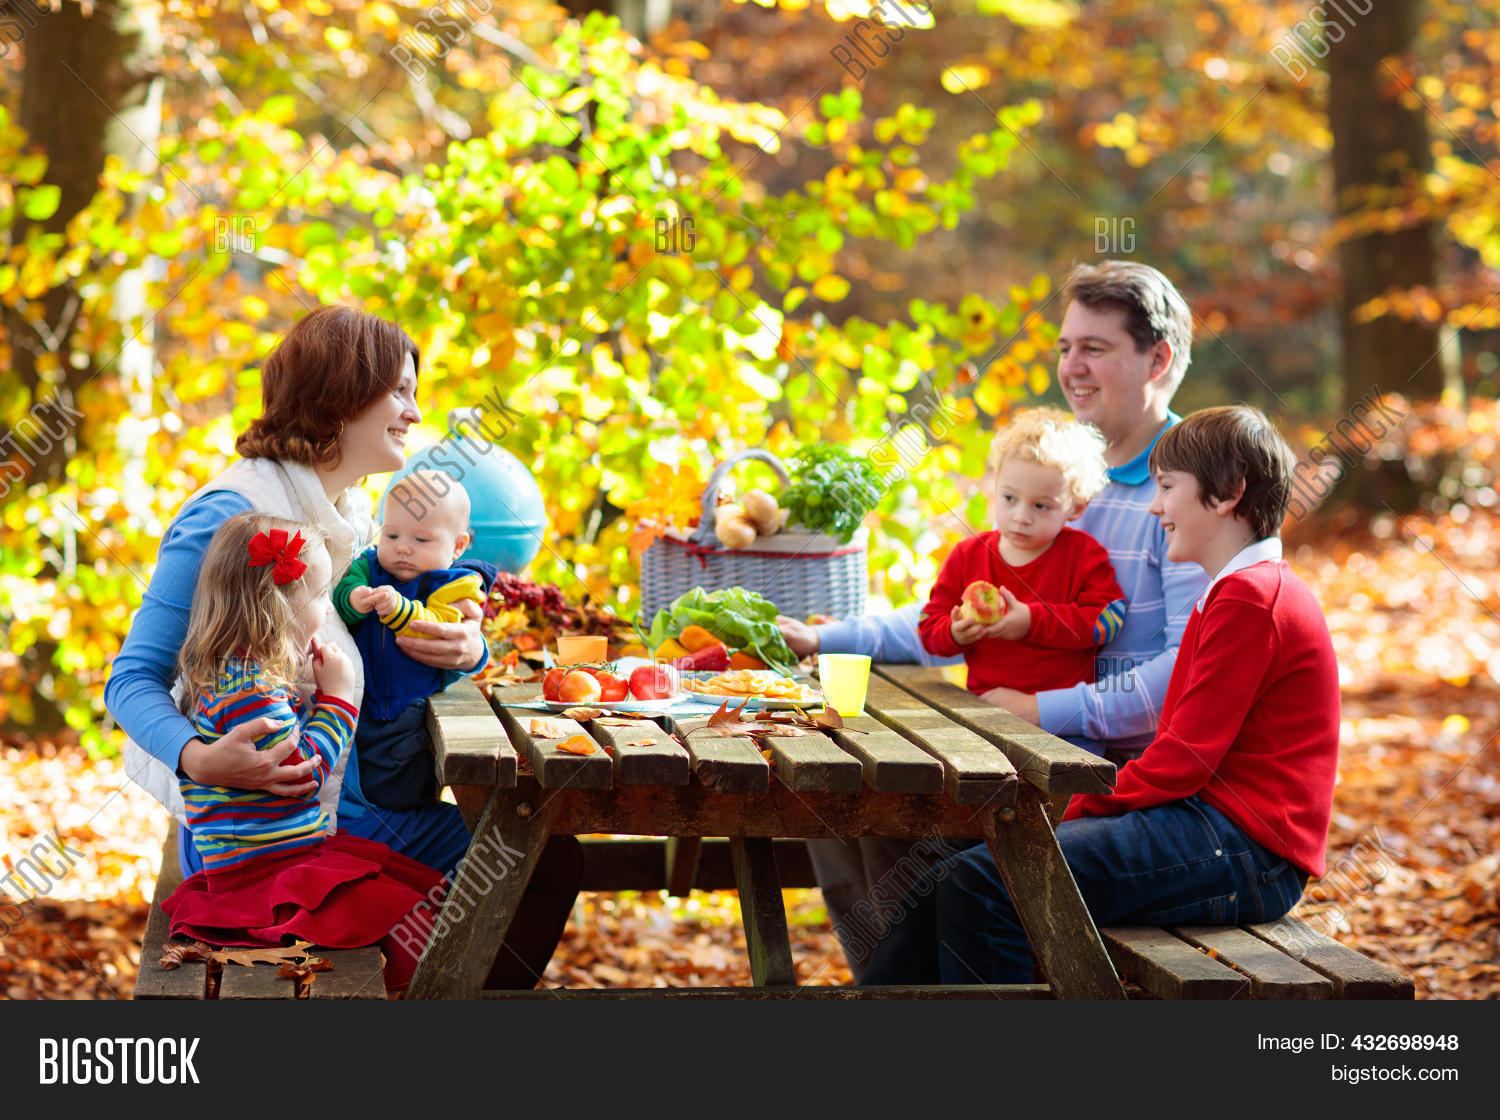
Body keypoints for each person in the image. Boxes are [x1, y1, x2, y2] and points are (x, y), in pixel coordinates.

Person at [106, 305, 579, 988]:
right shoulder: (230, 514)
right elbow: (130, 679)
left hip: (338, 796)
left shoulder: (350, 510)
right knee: (535, 859)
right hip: (266, 833)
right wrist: (199, 755)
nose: (416, 413)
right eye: (401, 392)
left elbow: (384, 635)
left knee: (535, 854)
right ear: (342, 395)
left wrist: (467, 647)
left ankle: (425, 999)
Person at [787, 261, 1211, 979]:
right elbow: (943, 617)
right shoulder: (1042, 479)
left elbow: (1187, 671)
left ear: (1159, 358)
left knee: (908, 823)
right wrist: (826, 637)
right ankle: (900, 999)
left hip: (1114, 770)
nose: (1071, 368)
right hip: (1012, 739)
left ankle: (928, 1000)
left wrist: (1040, 708)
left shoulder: (1188, 486)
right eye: (1064, 347)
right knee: (840, 797)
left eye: (1095, 349)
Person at [862, 405, 1339, 985]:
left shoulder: (1251, 599)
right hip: (1208, 830)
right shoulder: (1231, 594)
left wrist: (1077, 810)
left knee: (985, 886)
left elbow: (1181, 762)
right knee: (945, 870)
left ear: (1227, 495)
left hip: (1244, 851)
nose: (1155, 506)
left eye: (1166, 489)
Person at [161, 514, 444, 995]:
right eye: (317, 597)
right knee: (410, 919)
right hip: (264, 876)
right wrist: (337, 696)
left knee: (407, 895)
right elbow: (304, 774)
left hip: (279, 857)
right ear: (279, 607)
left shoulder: (238, 676)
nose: (323, 611)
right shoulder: (250, 691)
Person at [920, 407, 1125, 696]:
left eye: (1041, 505)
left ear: (1076, 506)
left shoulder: (1082, 554)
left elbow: (1109, 620)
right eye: (1009, 498)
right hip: (984, 715)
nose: (1021, 516)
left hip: (1063, 722)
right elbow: (928, 628)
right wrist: (953, 633)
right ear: (996, 487)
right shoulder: (968, 555)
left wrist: (1033, 621)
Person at [333, 470, 498, 811]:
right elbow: (342, 597)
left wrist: (398, 609)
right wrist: (353, 600)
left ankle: (406, 829)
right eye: (391, 535)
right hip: (358, 706)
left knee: (404, 791)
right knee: (356, 781)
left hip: (411, 714)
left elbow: (440, 626)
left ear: (458, 546)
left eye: (421, 540)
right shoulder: (368, 566)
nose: (402, 548)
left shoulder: (457, 584)